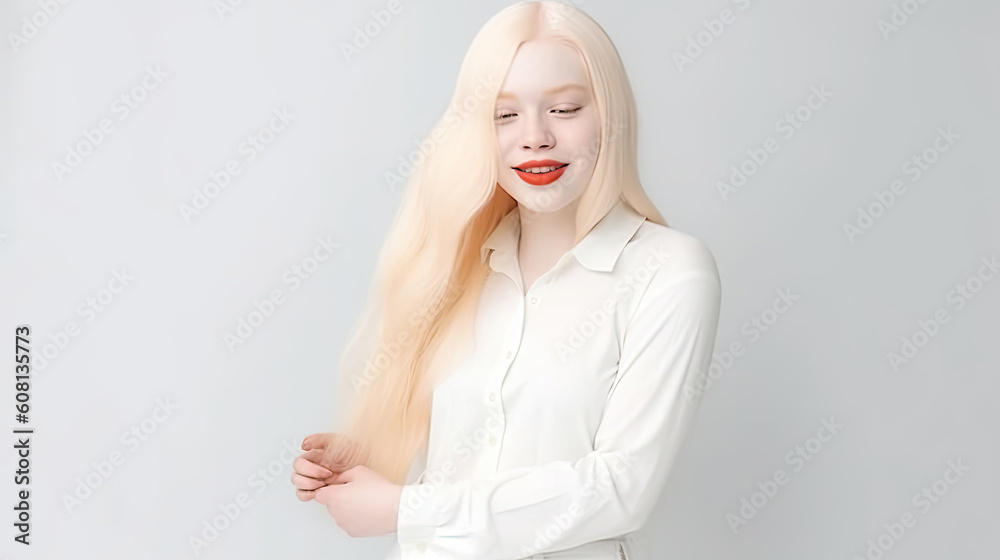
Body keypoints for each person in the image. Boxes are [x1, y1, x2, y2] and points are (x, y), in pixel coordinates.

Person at [291, 2, 722, 559]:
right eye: (504, 115)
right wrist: (375, 469)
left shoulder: (669, 273)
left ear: (611, 114)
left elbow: (621, 489)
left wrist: (405, 510)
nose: (535, 137)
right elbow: (474, 467)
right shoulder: (460, 266)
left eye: (564, 108)